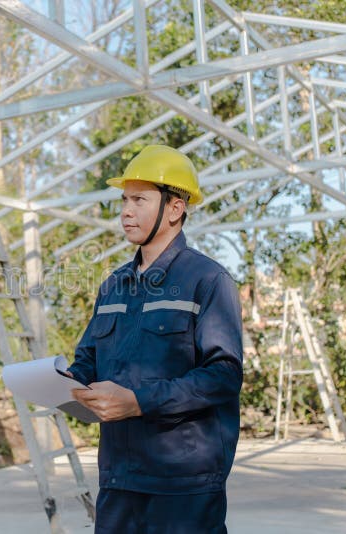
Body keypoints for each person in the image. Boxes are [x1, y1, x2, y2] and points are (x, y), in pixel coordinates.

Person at [66, 145, 243, 533]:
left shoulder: (208, 280)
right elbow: (88, 360)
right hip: (119, 478)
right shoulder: (113, 286)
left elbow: (224, 375)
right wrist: (65, 385)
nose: (126, 211)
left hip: (183, 483)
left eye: (140, 200)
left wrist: (138, 402)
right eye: (124, 199)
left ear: (175, 208)